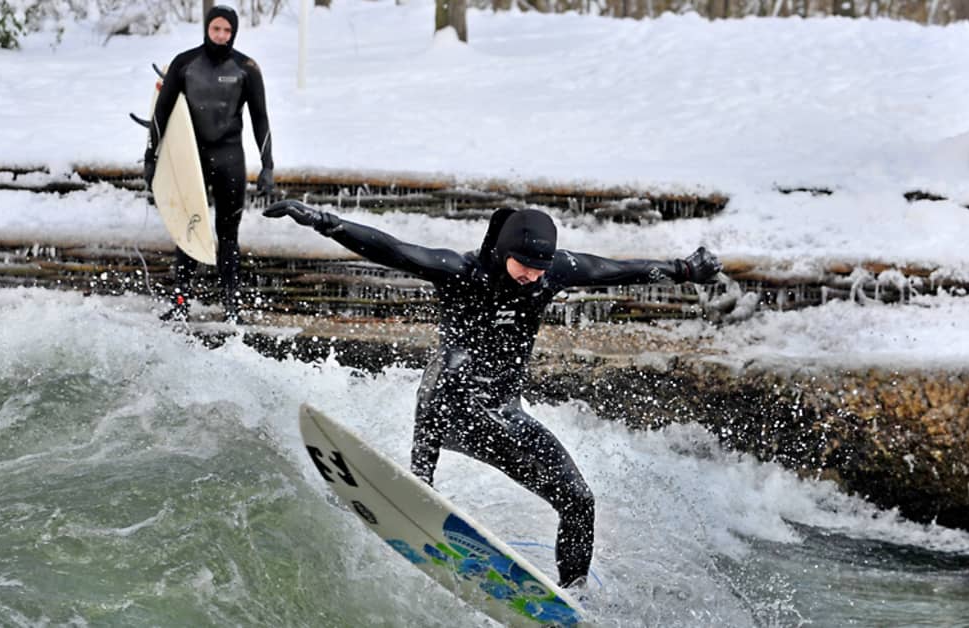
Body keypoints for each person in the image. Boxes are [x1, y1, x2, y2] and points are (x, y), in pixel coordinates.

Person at [264, 199, 722, 588]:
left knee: (579, 501)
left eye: (541, 268)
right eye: (524, 265)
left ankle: (572, 601)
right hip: (443, 408)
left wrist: (684, 270)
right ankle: (416, 488)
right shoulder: (460, 272)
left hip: (501, 415)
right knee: (448, 382)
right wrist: (326, 222)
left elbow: (613, 270)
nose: (532, 276)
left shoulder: (548, 274)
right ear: (504, 251)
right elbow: (394, 250)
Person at [145, 5, 274, 321]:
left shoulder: (246, 69)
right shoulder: (185, 64)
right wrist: (152, 157)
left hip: (230, 158)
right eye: (216, 29)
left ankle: (231, 307)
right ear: (207, 29)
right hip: (192, 159)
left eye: (227, 31)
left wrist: (267, 164)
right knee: (187, 230)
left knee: (228, 235)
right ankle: (180, 303)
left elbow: (261, 119)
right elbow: (161, 115)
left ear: (234, 32)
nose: (221, 36)